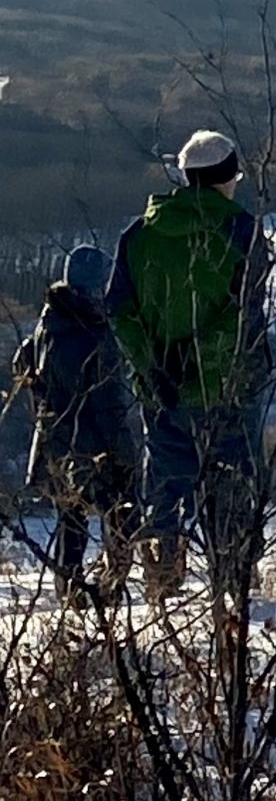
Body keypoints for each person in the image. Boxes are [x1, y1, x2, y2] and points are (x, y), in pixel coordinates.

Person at [109, 130, 270, 600]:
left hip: (161, 393)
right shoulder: (242, 232)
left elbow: (119, 309)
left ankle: (161, 582)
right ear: (226, 179)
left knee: (164, 485)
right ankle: (234, 582)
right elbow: (244, 314)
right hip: (228, 390)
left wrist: (154, 364)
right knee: (235, 486)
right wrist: (197, 356)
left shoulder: (139, 234)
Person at [12, 245, 137, 604]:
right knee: (121, 515)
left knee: (71, 517)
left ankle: (69, 588)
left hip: (54, 442)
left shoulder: (50, 322)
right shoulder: (96, 339)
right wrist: (125, 456)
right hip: (93, 448)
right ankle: (111, 590)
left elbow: (22, 362)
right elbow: (110, 407)